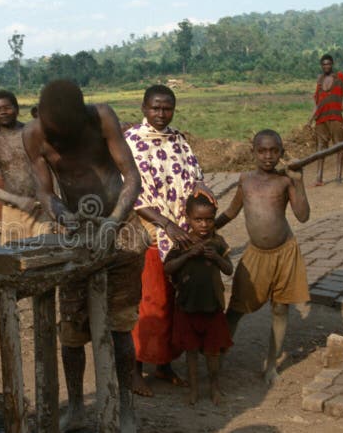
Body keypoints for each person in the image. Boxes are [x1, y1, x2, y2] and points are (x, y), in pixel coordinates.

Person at [23, 79, 147, 433]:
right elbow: (44, 191)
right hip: (77, 237)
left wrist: (113, 222)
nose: (59, 145)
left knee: (120, 326)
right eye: (54, 138)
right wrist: (59, 212)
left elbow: (132, 178)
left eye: (66, 138)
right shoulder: (33, 136)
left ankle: (126, 412)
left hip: (121, 231)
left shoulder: (102, 118)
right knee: (72, 332)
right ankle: (76, 407)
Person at [123, 85, 214, 397]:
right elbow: (132, 191)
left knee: (175, 302)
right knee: (151, 301)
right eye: (155, 108)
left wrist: (202, 189)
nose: (161, 114)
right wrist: (165, 224)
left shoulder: (179, 140)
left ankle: (163, 364)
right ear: (143, 107)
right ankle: (135, 370)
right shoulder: (132, 142)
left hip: (181, 232)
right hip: (150, 233)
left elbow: (195, 174)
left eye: (167, 108)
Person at [216, 129, 311, 385]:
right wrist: (206, 229)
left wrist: (299, 181)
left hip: (285, 252)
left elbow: (303, 216)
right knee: (235, 309)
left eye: (274, 151)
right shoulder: (245, 180)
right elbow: (231, 212)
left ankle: (271, 365)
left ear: (281, 152)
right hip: (256, 255)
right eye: (262, 151)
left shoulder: (285, 181)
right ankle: (218, 359)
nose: (268, 156)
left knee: (280, 309)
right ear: (253, 152)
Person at [164, 193, 233, 405]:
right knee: (191, 353)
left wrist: (217, 258)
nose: (204, 224)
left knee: (212, 353)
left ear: (213, 219)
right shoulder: (181, 243)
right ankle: (193, 390)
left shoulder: (218, 243)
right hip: (187, 306)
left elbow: (229, 269)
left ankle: (215, 388)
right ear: (188, 219)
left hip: (212, 306)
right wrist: (188, 255)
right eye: (198, 220)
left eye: (209, 219)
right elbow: (167, 267)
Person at [0, 89, 53, 243]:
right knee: (12, 260)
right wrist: (16, 200)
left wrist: (56, 204)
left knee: (45, 255)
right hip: (11, 212)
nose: (3, 112)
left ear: (17, 109)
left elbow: (53, 169)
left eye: (7, 108)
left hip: (41, 209)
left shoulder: (34, 134)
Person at [306, 54, 343, 185]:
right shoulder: (319, 81)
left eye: (328, 64)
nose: (326, 66)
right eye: (324, 64)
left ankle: (338, 177)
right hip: (321, 119)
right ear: (321, 66)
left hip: (336, 116)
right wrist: (309, 120)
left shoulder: (339, 78)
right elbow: (317, 103)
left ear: (332, 64)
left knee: (339, 146)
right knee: (320, 147)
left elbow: (342, 100)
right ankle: (319, 178)